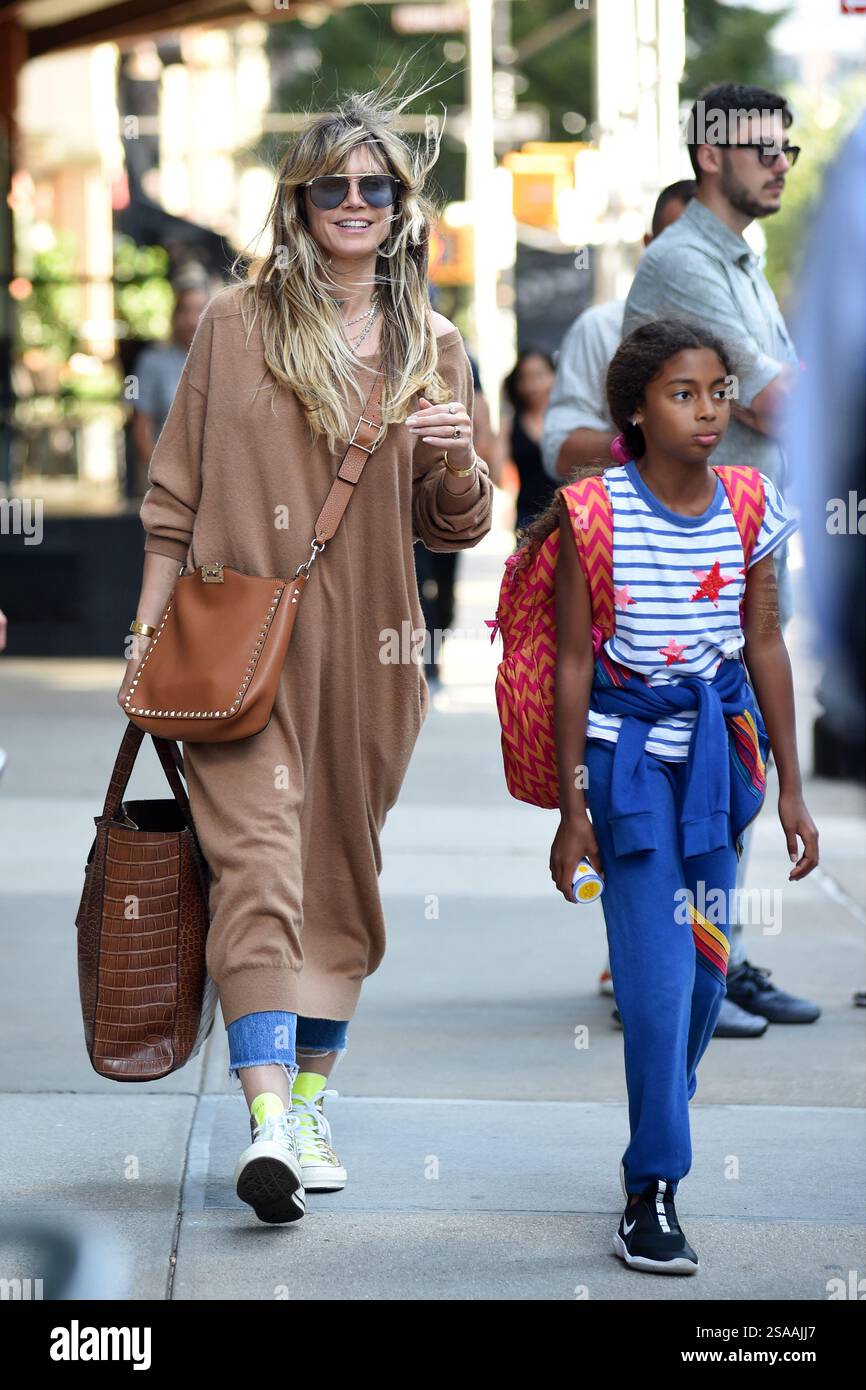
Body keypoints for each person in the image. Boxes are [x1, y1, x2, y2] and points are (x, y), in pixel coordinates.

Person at [117, 76, 493, 1225]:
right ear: (297, 201)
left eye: (375, 187)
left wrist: (455, 457)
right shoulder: (233, 327)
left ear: (399, 207)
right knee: (257, 867)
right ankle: (267, 1117)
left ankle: (314, 1103)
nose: (354, 201)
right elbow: (171, 502)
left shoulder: (433, 341)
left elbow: (457, 522)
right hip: (235, 643)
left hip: (371, 658)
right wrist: (146, 638)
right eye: (331, 184)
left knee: (338, 872)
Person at [530, 318, 818, 1273]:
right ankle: (652, 1186)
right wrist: (576, 806)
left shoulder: (752, 503)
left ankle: (662, 1108)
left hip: (722, 765)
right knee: (654, 986)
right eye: (683, 393)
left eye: (720, 391)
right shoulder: (594, 511)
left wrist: (791, 791)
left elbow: (764, 642)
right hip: (630, 767)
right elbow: (574, 662)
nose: (708, 411)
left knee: (702, 972)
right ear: (637, 410)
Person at [622, 84, 819, 1033]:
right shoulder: (685, 264)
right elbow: (778, 402)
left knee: (726, 774)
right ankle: (670, 979)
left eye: (788, 145)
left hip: (739, 551)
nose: (780, 159)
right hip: (689, 566)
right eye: (761, 146)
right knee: (689, 770)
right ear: (710, 154)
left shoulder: (740, 258)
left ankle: (713, 964)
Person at [541, 179, 696, 483]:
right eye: (678, 246)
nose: (693, 263)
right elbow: (559, 451)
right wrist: (643, 443)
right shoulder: (599, 329)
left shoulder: (751, 326)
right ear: (650, 245)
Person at [130, 268, 212, 495]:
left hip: (214, 485)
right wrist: (162, 477)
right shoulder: (152, 362)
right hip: (167, 484)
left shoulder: (223, 361)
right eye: (185, 310)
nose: (192, 320)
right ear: (174, 316)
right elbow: (141, 427)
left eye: (200, 310)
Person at [501, 349, 557, 534]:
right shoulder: (510, 425)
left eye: (539, 375)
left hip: (570, 510)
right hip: (528, 516)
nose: (533, 384)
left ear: (554, 376)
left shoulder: (568, 421)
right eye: (525, 377)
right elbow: (498, 474)